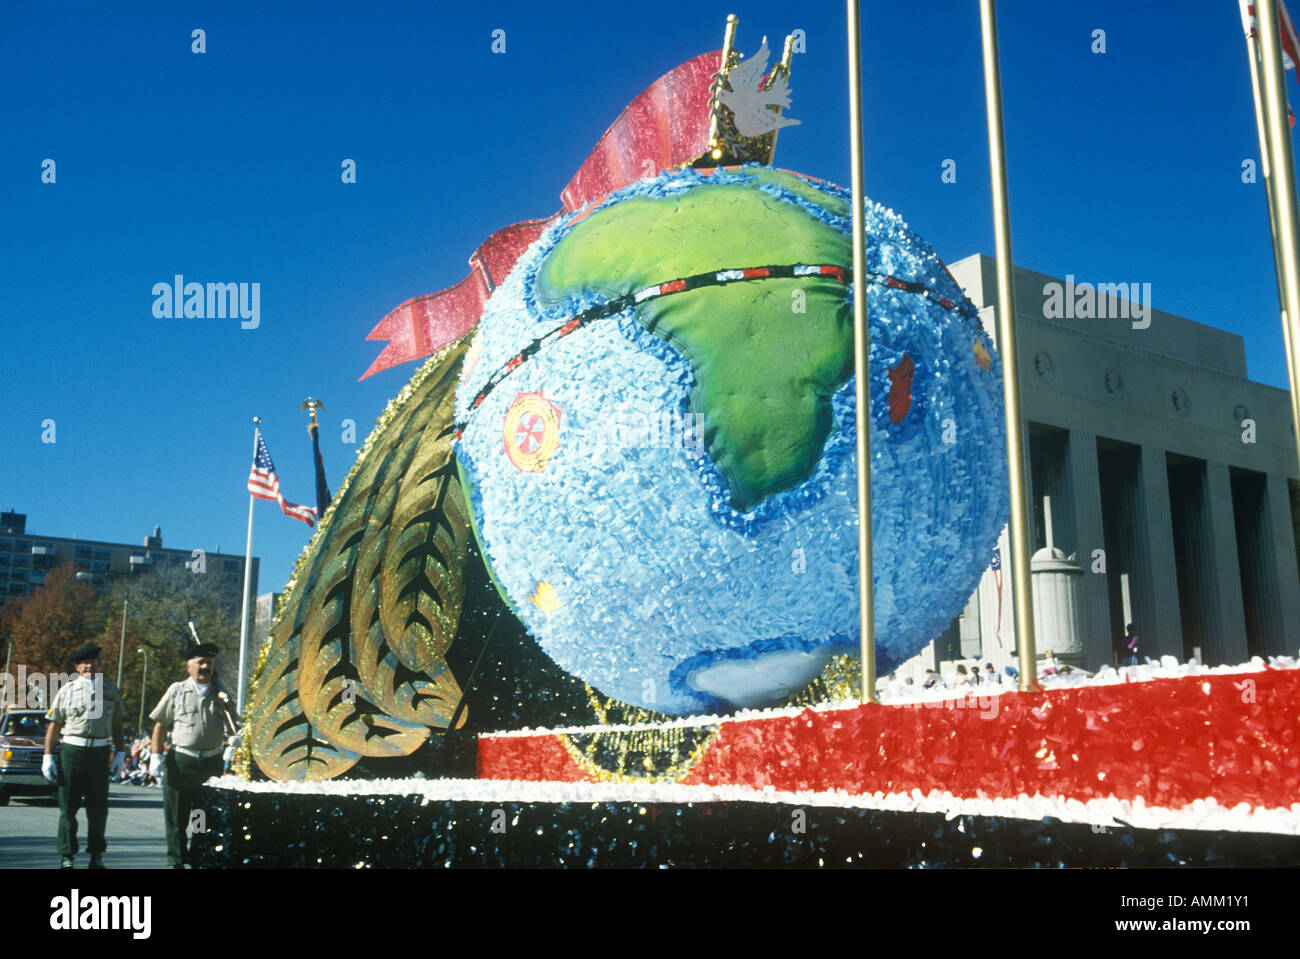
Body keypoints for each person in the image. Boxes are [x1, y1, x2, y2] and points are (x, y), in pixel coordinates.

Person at [148, 642, 237, 869]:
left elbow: (233, 726)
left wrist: (232, 740)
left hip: (210, 764)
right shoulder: (177, 691)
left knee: (201, 817)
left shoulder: (221, 694)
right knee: (177, 819)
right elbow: (160, 726)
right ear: (189, 667)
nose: (205, 666)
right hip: (182, 762)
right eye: (200, 662)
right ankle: (177, 862)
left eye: (209, 663)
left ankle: (197, 859)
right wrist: (155, 756)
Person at [42, 644, 126, 869]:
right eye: (84, 663)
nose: (90, 666)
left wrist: (120, 752)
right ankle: (67, 855)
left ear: (100, 665)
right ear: (77, 668)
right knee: (68, 807)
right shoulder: (67, 690)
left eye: (94, 662)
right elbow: (55, 725)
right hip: (73, 751)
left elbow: (118, 725)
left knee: (98, 808)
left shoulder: (111, 690)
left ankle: (96, 856)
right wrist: (48, 756)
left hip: (100, 753)